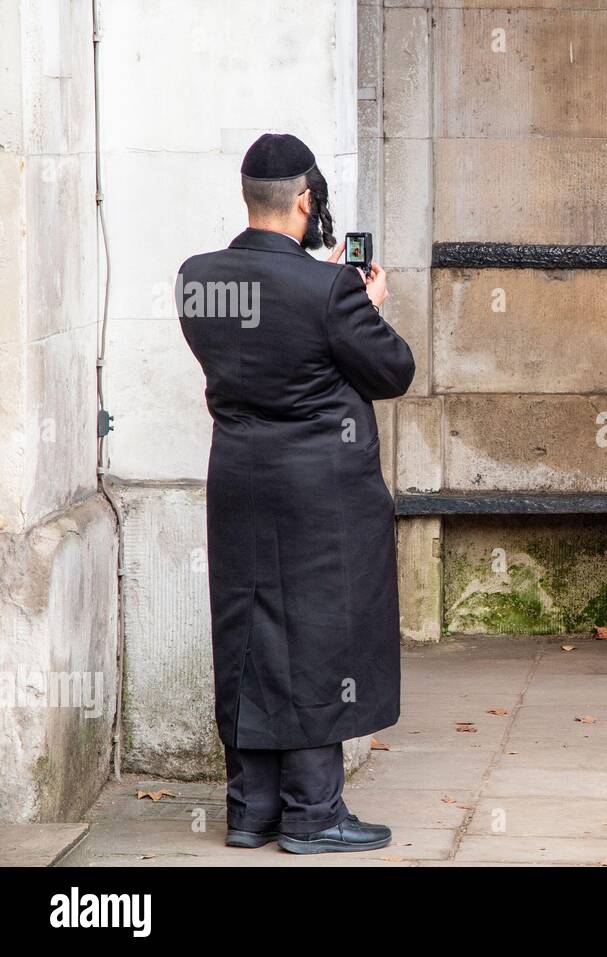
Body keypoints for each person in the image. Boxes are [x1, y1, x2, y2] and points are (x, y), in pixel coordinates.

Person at [177, 133, 415, 853]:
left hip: (239, 480)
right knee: (319, 639)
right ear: (306, 202)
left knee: (248, 631)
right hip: (321, 494)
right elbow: (392, 370)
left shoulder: (197, 278)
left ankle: (251, 808)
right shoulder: (330, 289)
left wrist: (333, 306)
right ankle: (313, 812)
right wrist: (363, 302)